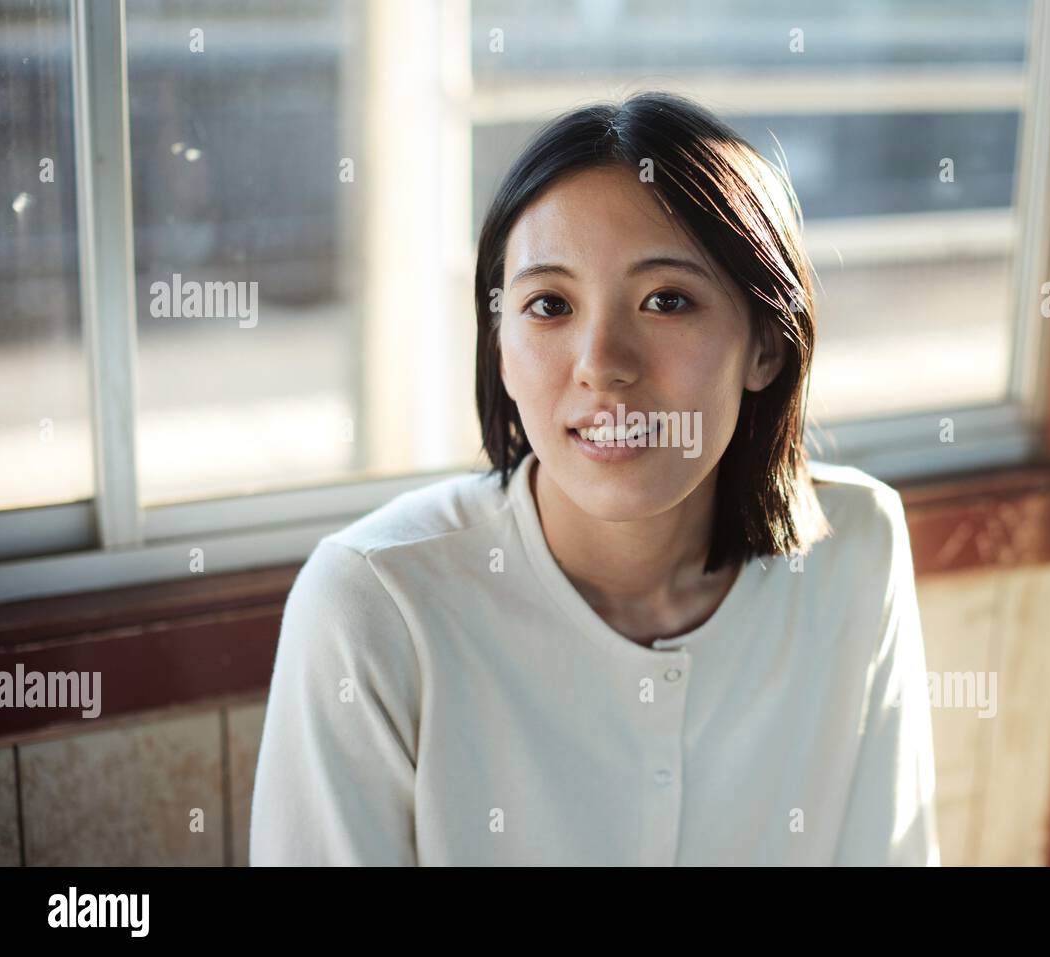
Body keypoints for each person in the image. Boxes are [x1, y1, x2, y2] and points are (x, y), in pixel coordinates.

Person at [249, 91, 940, 866]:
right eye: (549, 305)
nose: (603, 363)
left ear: (765, 349)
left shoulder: (855, 553)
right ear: (500, 347)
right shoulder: (374, 604)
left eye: (666, 300)